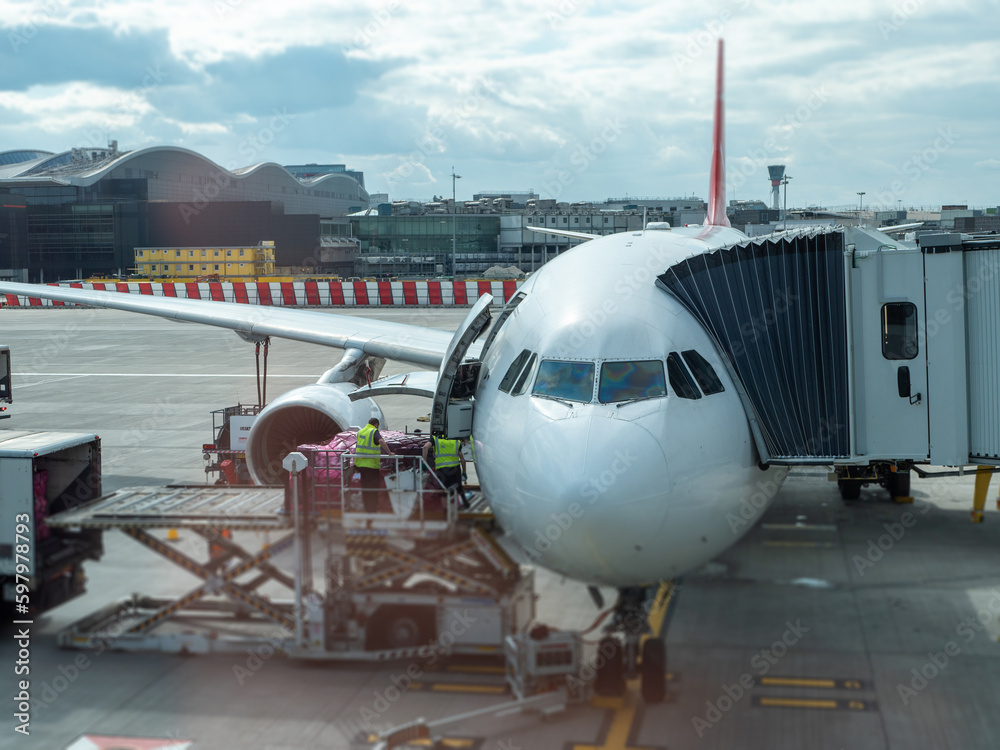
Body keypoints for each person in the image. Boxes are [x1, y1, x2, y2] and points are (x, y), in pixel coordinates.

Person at [354, 417, 394, 513]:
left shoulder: (360, 432)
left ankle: (367, 509)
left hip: (360, 465)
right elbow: (381, 441)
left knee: (365, 488)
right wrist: (389, 453)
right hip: (371, 465)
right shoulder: (373, 431)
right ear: (376, 425)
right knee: (372, 489)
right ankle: (372, 510)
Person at [422, 434, 468, 508]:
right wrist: (464, 472)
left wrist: (424, 463)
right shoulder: (456, 441)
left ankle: (446, 512)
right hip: (455, 469)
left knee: (443, 491)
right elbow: (462, 458)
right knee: (457, 488)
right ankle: (459, 506)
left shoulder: (436, 439)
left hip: (442, 470)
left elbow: (425, 447)